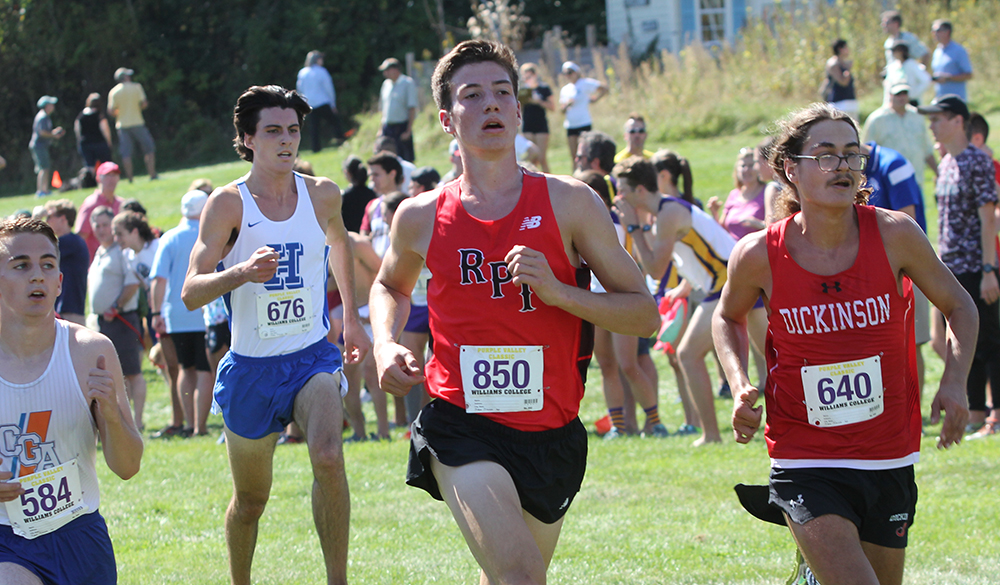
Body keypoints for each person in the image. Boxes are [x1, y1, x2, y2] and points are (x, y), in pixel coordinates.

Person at [370, 40, 658, 584]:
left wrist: (560, 292)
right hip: (460, 422)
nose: (491, 105)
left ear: (520, 111)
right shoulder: (421, 215)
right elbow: (388, 284)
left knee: (505, 576)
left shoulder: (571, 203)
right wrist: (386, 342)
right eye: (472, 96)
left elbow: (645, 315)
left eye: (503, 93)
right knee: (523, 575)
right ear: (447, 121)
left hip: (553, 431)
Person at [713, 102, 974, 585]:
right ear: (791, 168)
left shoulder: (895, 234)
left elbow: (961, 307)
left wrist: (955, 383)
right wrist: (739, 383)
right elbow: (726, 317)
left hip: (889, 453)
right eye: (827, 154)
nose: (843, 166)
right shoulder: (758, 254)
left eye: (853, 155)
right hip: (804, 455)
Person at [180, 84, 368, 585]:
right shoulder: (228, 205)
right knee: (251, 502)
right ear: (247, 138)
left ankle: (338, 580)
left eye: (293, 130)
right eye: (273, 131)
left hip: (311, 358)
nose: (286, 141)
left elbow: (341, 245)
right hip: (251, 370)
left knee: (328, 455)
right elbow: (191, 293)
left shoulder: (323, 194)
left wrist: (350, 316)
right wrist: (239, 272)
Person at [0, 217, 143, 584]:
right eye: (21, 266)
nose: (38, 276)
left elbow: (127, 467)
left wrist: (110, 414)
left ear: (60, 281)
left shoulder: (90, 352)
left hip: (80, 536)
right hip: (6, 541)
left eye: (48, 265)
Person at [613, 155, 767, 446]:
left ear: (641, 191)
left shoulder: (668, 213)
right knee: (774, 357)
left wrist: (633, 227)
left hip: (731, 283)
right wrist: (685, 286)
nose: (619, 197)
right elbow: (697, 253)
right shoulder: (666, 212)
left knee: (688, 355)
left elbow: (655, 269)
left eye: (623, 190)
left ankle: (711, 435)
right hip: (733, 281)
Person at [919, 94, 1000, 435]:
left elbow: (987, 220)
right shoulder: (947, 163)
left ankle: (996, 414)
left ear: (958, 122)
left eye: (938, 118)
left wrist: (988, 269)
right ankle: (978, 413)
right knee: (963, 342)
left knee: (991, 340)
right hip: (951, 267)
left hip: (975, 266)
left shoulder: (977, 162)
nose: (932, 125)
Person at [148, 191, 214, 437]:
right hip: (206, 310)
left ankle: (188, 422)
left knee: (185, 369)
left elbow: (159, 279)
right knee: (205, 370)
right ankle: (201, 425)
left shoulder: (170, 238)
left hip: (177, 314)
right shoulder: (209, 233)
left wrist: (156, 311)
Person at [87, 206, 147, 443]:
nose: (101, 230)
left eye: (105, 225)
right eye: (96, 225)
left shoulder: (122, 252)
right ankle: (121, 421)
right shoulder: (100, 252)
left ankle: (138, 421)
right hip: (104, 322)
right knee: (112, 374)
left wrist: (117, 307)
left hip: (122, 320)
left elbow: (133, 282)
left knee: (132, 372)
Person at [111, 210, 158, 430]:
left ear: (134, 231)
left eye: (120, 234)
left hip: (166, 307)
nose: (116, 239)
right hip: (151, 308)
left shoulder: (156, 248)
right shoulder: (130, 256)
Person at [862, 84, 938, 186]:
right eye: (898, 94)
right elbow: (866, 152)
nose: (902, 97)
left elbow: (926, 149)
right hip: (889, 182)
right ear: (890, 95)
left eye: (904, 93)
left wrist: (938, 173)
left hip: (916, 180)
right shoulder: (877, 119)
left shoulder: (917, 116)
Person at [42, 199, 88, 325]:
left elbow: (37, 250)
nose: (47, 221)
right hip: (65, 309)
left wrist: (35, 221)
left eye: (50, 216)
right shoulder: (72, 242)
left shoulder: (71, 241)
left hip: (69, 311)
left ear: (63, 219)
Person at [107, 67, 157, 181]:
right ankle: (152, 174)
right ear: (126, 77)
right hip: (138, 122)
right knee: (149, 149)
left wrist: (120, 112)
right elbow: (144, 103)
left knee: (126, 154)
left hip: (122, 125)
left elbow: (111, 111)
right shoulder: (136, 87)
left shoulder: (114, 91)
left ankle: (130, 178)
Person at [559, 61, 607, 166]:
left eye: (570, 72)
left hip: (584, 122)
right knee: (574, 156)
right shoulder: (565, 89)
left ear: (577, 72)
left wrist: (595, 99)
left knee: (587, 153)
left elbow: (604, 88)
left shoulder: (585, 83)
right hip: (571, 124)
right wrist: (567, 105)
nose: (568, 75)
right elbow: (561, 110)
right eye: (566, 73)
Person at [76, 162, 125, 260]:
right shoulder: (91, 205)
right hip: (96, 261)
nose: (111, 179)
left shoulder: (121, 204)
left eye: (114, 175)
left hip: (120, 260)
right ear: (98, 179)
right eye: (107, 175)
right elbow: (80, 238)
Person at [297, 50, 342, 153]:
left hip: (309, 104)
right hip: (323, 102)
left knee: (314, 128)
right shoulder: (322, 71)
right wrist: (332, 103)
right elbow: (329, 88)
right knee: (335, 122)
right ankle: (340, 139)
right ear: (317, 60)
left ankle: (315, 148)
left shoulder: (302, 72)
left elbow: (299, 89)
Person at [377, 57, 418, 162]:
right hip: (388, 127)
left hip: (401, 127)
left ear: (395, 69)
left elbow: (412, 108)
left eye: (387, 70)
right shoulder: (385, 84)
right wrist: (381, 129)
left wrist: (408, 130)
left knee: (405, 158)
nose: (385, 73)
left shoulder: (407, 83)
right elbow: (384, 109)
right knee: (387, 159)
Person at [518, 62, 555, 172]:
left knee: (541, 157)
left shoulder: (544, 88)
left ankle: (550, 183)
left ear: (535, 75)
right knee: (532, 158)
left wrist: (538, 101)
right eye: (524, 77)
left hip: (541, 124)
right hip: (528, 125)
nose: (526, 79)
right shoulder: (522, 90)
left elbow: (552, 107)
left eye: (528, 76)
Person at [29, 96, 66, 198]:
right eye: (51, 104)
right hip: (39, 146)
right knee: (43, 168)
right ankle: (40, 191)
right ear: (46, 106)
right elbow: (42, 132)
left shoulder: (44, 116)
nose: (53, 106)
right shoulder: (43, 117)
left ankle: (44, 190)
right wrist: (54, 135)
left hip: (41, 146)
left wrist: (53, 132)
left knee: (45, 167)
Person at [930, 20, 972, 101]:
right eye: (933, 31)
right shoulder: (937, 51)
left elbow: (969, 75)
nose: (934, 33)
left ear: (947, 32)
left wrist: (948, 78)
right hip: (940, 98)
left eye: (938, 31)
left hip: (956, 100)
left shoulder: (959, 50)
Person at [74, 93, 113, 175]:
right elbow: (105, 129)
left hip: (85, 143)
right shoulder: (99, 115)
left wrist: (79, 141)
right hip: (99, 143)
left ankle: (91, 182)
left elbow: (77, 130)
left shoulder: (81, 116)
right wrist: (109, 141)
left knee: (90, 166)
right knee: (105, 164)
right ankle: (106, 179)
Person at [340, 156, 377, 233]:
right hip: (369, 236)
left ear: (347, 173)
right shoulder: (372, 194)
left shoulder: (344, 196)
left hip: (351, 238)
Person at [825, 40, 858, 121]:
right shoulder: (833, 64)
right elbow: (843, 82)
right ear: (840, 49)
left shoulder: (844, 62)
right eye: (846, 47)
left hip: (850, 100)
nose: (848, 50)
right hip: (839, 103)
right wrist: (848, 70)